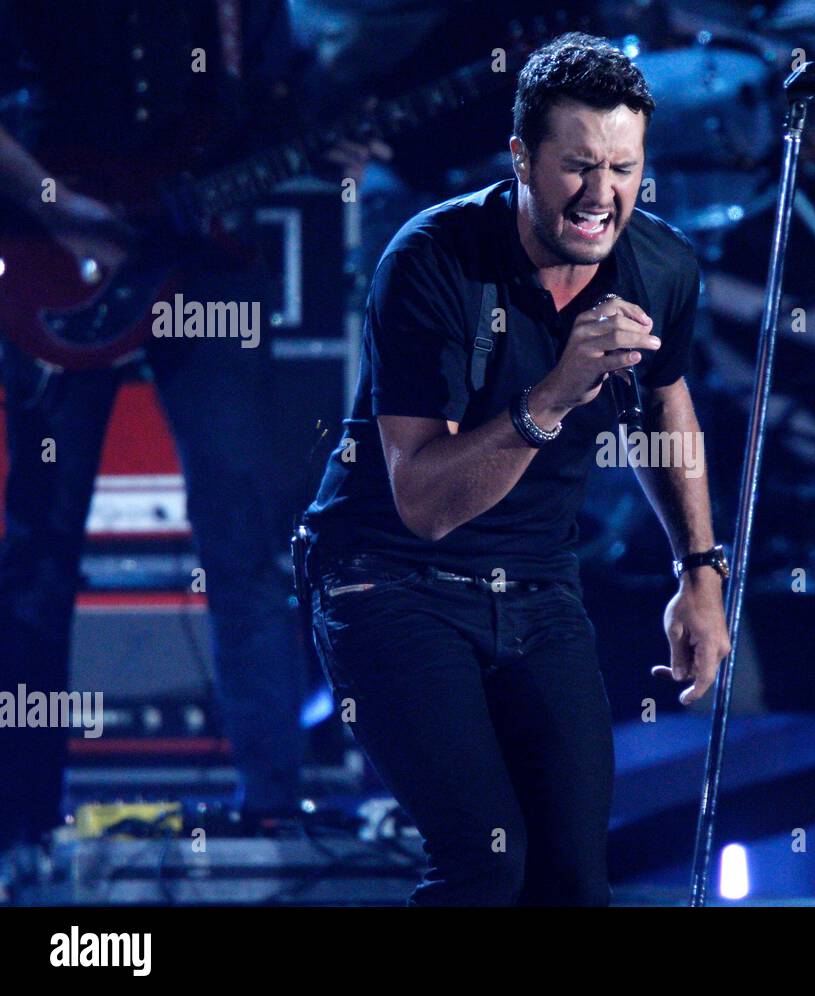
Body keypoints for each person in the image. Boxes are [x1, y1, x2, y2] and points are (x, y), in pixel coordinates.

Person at [302, 32, 731, 905]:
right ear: (522, 160)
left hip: (536, 587)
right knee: (486, 865)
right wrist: (556, 392)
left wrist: (700, 571)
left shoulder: (663, 264)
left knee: (573, 876)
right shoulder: (432, 261)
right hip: (389, 580)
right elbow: (423, 502)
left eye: (623, 167)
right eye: (577, 166)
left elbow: (663, 400)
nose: (601, 196)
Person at [0, 1, 380, 851]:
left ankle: (272, 808)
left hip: (205, 264)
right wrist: (65, 212)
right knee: (39, 549)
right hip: (58, 253)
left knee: (243, 540)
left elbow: (284, 104)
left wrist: (331, 136)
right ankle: (20, 831)